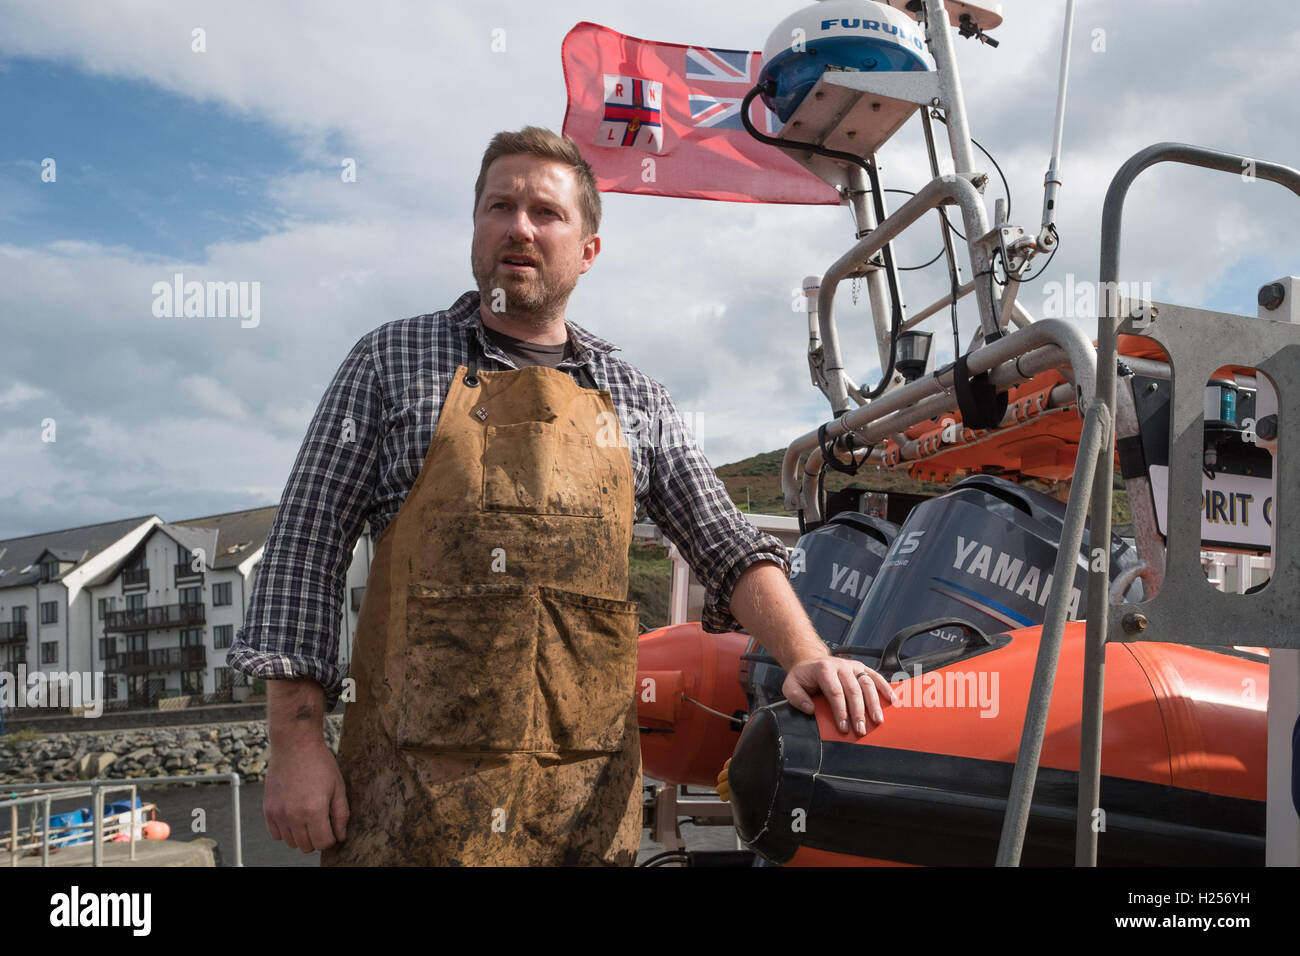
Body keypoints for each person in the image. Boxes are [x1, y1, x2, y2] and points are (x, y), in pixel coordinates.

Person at [227, 126, 896, 865]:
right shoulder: (390, 361)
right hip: (407, 801)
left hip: (580, 806)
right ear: (475, 231)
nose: (519, 226)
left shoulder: (634, 395)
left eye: (545, 212)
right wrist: (295, 746)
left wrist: (807, 655)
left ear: (587, 250)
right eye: (498, 206)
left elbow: (725, 543)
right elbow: (304, 550)